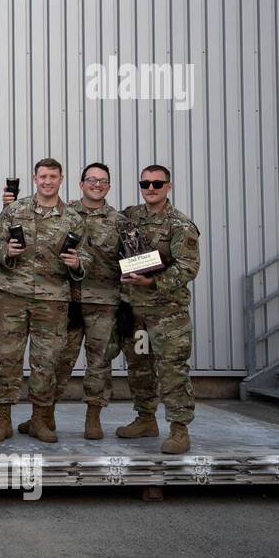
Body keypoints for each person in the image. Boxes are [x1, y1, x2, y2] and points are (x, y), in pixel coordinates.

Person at [0, 158, 88, 444]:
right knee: (7, 358)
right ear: (34, 178)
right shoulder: (15, 210)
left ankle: (40, 420)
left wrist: (78, 262)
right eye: (42, 176)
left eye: (52, 176)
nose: (47, 181)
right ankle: (3, 420)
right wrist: (6, 250)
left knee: (46, 361)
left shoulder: (73, 219)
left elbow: (87, 254)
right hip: (13, 296)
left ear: (61, 178)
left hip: (53, 299)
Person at [115, 165, 202, 454]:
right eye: (145, 183)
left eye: (157, 183)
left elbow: (188, 267)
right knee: (140, 367)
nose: (151, 188)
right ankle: (145, 419)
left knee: (172, 369)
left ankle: (179, 430)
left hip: (168, 312)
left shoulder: (180, 224)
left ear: (169, 186)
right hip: (135, 310)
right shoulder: (130, 216)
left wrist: (154, 281)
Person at [50, 163, 124, 439]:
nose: (96, 184)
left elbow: (129, 260)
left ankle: (93, 418)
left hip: (103, 302)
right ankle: (46, 417)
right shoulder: (65, 214)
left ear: (109, 185)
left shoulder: (120, 222)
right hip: (68, 301)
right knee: (58, 361)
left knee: (99, 363)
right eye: (91, 179)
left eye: (102, 180)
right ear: (80, 184)